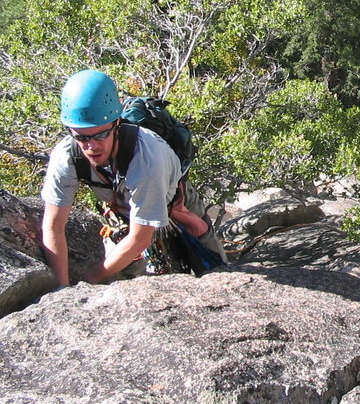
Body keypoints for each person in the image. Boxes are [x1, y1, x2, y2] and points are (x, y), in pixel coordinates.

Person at [41, 69, 225, 286]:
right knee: (130, 271)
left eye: (100, 135)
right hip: (123, 205)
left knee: (214, 270)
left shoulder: (146, 158)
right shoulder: (67, 157)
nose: (91, 147)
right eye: (81, 137)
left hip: (174, 202)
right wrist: (62, 290)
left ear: (116, 124)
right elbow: (53, 225)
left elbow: (139, 239)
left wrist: (87, 282)